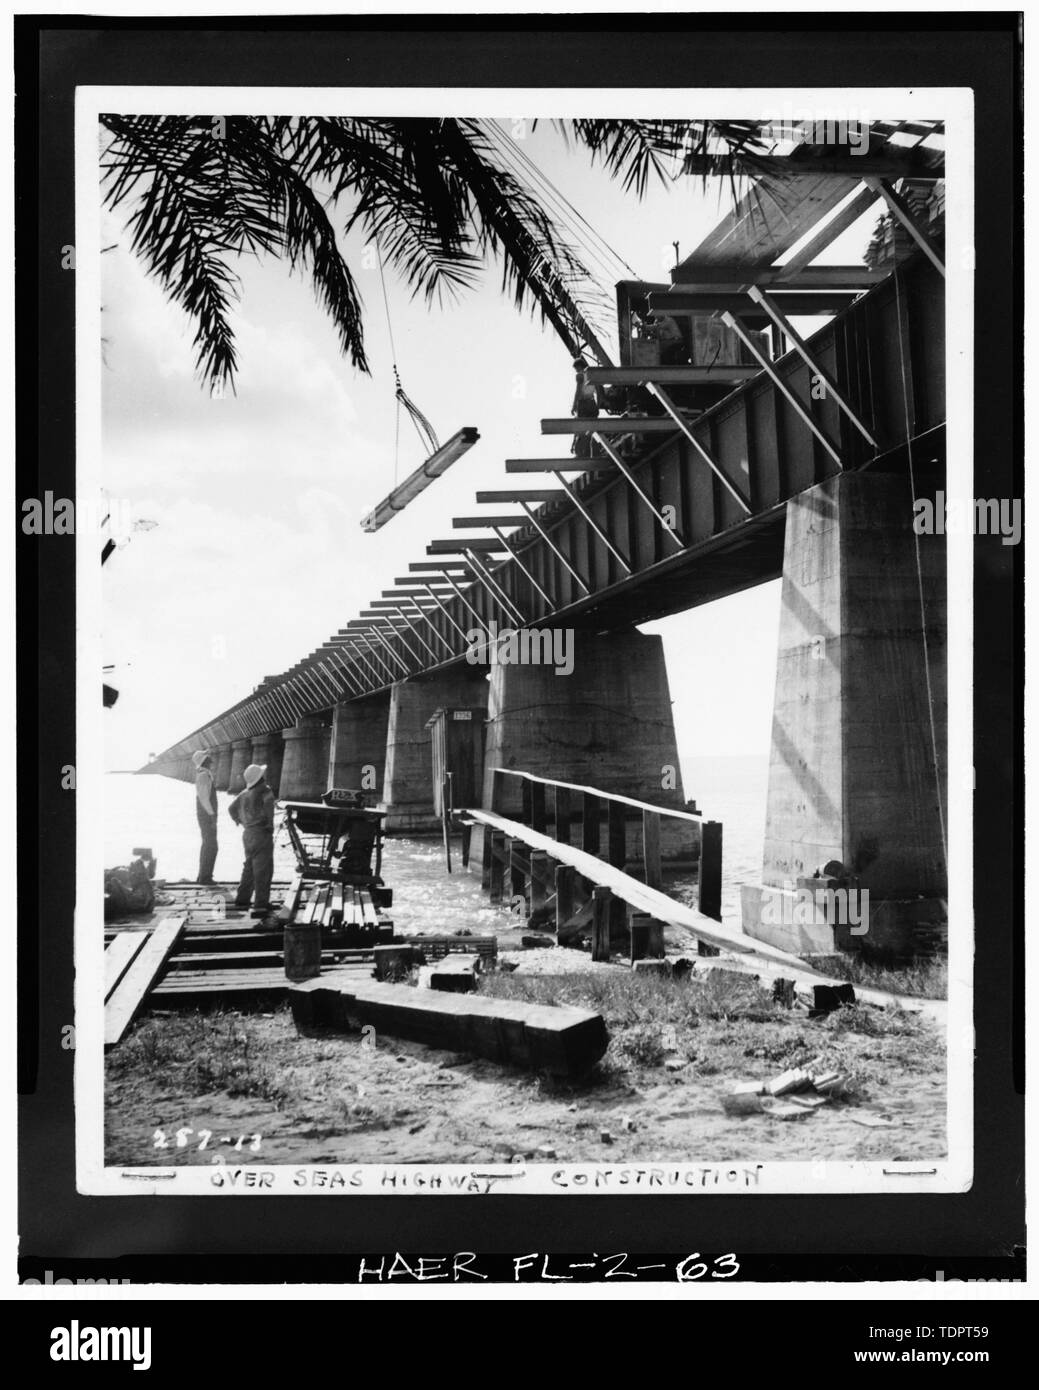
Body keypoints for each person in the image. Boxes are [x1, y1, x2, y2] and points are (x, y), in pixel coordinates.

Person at [229, 763, 276, 918]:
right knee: (263, 869)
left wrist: (239, 821)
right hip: (262, 834)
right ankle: (261, 903)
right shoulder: (266, 791)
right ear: (261, 777)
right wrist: (270, 825)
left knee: (249, 866)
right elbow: (269, 812)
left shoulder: (243, 794)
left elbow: (230, 808)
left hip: (247, 833)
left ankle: (242, 899)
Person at [192, 749, 218, 885]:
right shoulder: (203, 776)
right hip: (207, 815)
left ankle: (203, 875)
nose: (210, 758)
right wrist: (212, 816)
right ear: (204, 761)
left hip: (207, 814)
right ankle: (205, 877)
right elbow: (204, 799)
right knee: (211, 845)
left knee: (208, 844)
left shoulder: (205, 774)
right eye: (207, 757)